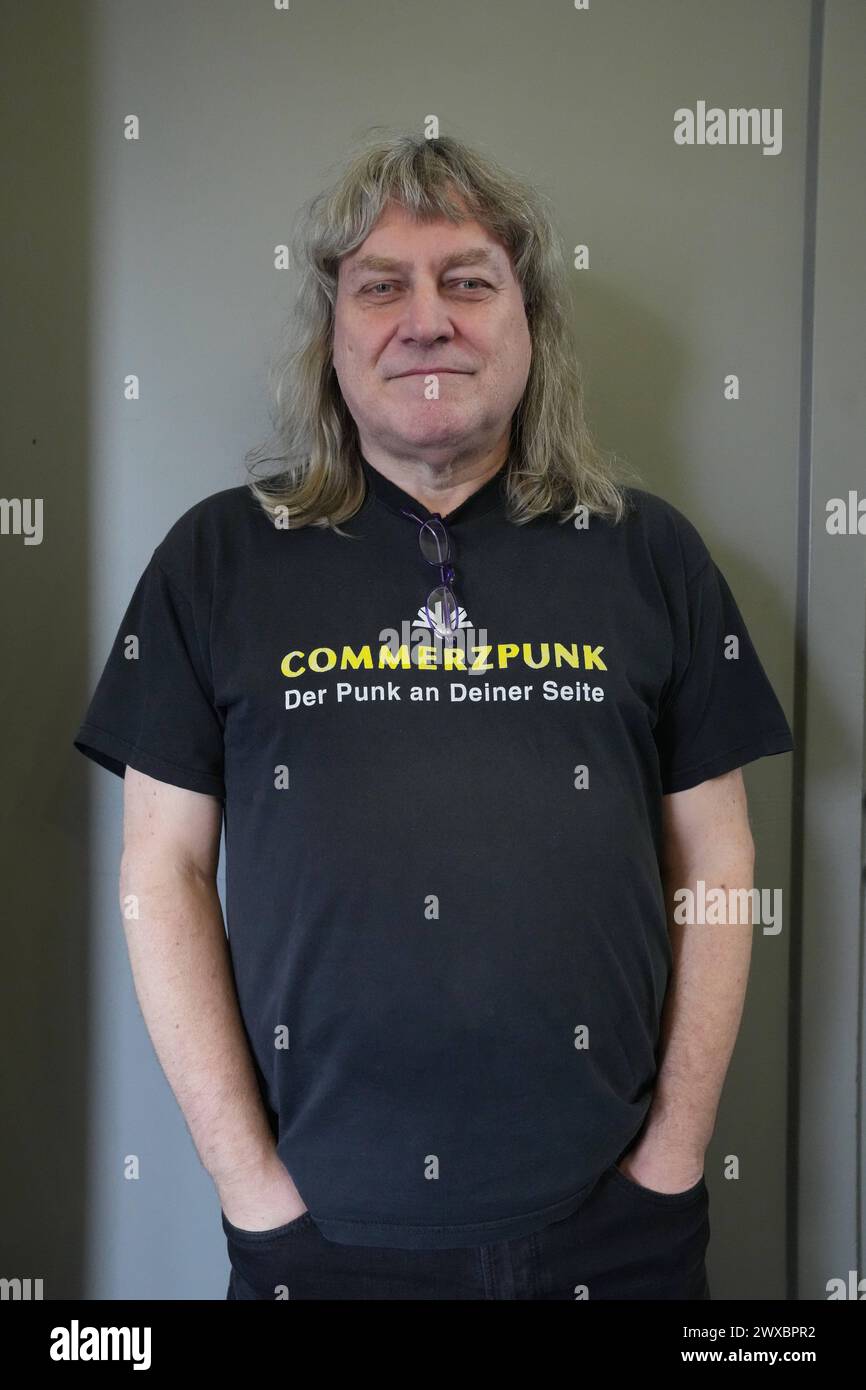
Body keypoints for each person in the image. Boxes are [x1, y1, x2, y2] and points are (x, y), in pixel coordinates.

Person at [73, 133, 794, 1300]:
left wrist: (668, 1164)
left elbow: (717, 858)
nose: (425, 320)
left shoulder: (647, 553)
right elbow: (161, 872)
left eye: (466, 281)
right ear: (332, 333)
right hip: (320, 1238)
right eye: (380, 286)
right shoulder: (216, 558)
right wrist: (252, 1191)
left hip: (615, 1228)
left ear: (528, 324)